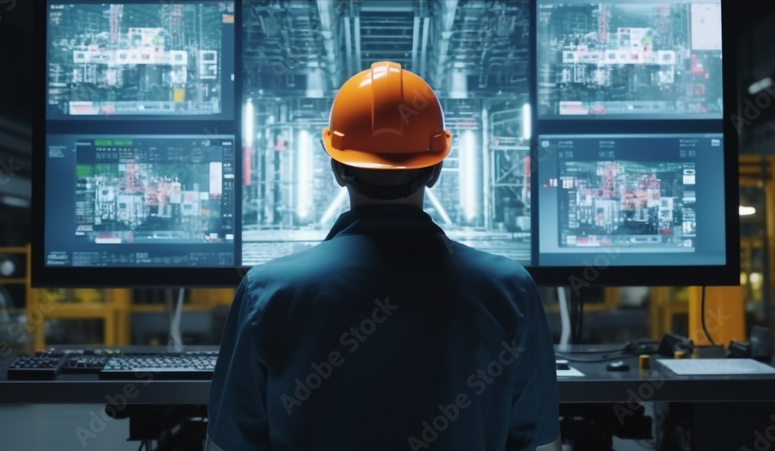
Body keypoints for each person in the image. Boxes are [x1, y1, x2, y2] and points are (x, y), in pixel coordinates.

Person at [207, 61, 560, 451]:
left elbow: (229, 444)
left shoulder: (267, 292)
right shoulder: (511, 291)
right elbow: (539, 443)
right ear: (436, 168)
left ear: (337, 167)